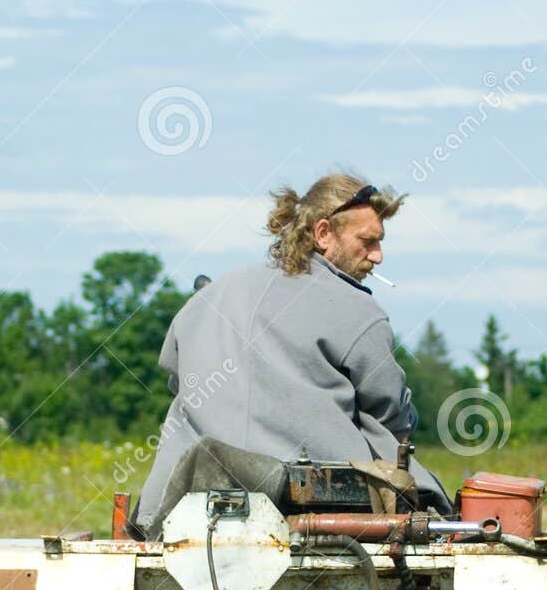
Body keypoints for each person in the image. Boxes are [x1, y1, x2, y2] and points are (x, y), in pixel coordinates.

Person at [133, 173, 450, 531]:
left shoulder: (207, 298)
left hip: (183, 510)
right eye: (368, 241)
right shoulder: (358, 311)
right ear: (323, 233)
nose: (377, 256)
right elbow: (391, 416)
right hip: (313, 508)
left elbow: (177, 380)